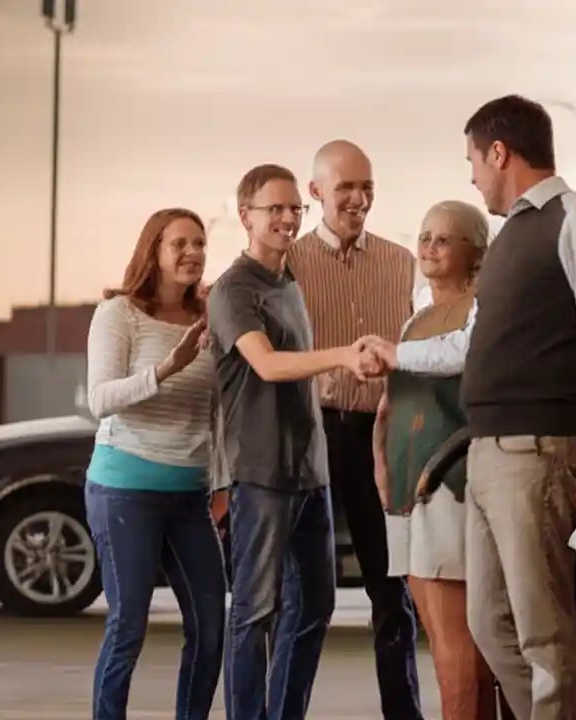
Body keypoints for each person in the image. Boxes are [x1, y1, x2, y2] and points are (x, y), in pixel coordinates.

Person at [364, 95, 576, 719]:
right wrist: (395, 353)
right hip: (488, 454)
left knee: (545, 634)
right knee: (494, 628)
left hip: (539, 453)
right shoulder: (512, 236)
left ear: (500, 152)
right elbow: (471, 345)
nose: (471, 175)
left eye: (473, 159)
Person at [207, 163, 378, 720]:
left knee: (315, 608)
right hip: (262, 475)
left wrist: (333, 376)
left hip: (311, 473)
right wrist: (341, 354)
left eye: (292, 209)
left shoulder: (288, 285)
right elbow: (268, 364)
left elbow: (298, 372)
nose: (285, 218)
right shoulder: (235, 289)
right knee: (254, 612)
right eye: (272, 209)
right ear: (245, 216)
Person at [286, 140, 422, 719]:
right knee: (303, 597)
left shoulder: (400, 262)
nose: (359, 198)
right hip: (312, 433)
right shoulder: (287, 263)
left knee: (391, 591)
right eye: (345, 187)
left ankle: (404, 714)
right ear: (316, 191)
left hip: (380, 437)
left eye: (366, 186)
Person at [83, 208, 224, 720]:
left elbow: (217, 409)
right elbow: (100, 399)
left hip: (190, 495)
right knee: (128, 626)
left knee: (212, 625)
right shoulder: (119, 314)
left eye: (200, 244)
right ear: (154, 253)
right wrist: (169, 367)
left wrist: (221, 480)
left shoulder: (211, 316)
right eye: (179, 244)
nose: (193, 253)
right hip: (125, 489)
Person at [370, 200, 498, 720]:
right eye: (424, 236)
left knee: (461, 644)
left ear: (476, 251)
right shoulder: (416, 317)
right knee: (439, 635)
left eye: (444, 238)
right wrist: (380, 459)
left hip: (452, 484)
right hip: (405, 489)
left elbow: (459, 361)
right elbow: (392, 402)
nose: (428, 245)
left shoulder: (480, 311)